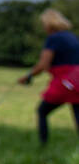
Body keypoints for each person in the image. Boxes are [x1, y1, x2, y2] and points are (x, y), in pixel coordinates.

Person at [18, 9, 79, 143]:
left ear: (49, 24)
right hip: (77, 79)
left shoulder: (53, 38)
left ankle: (43, 145)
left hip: (65, 81)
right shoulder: (72, 37)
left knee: (42, 111)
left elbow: (43, 64)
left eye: (43, 24)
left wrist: (28, 76)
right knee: (77, 111)